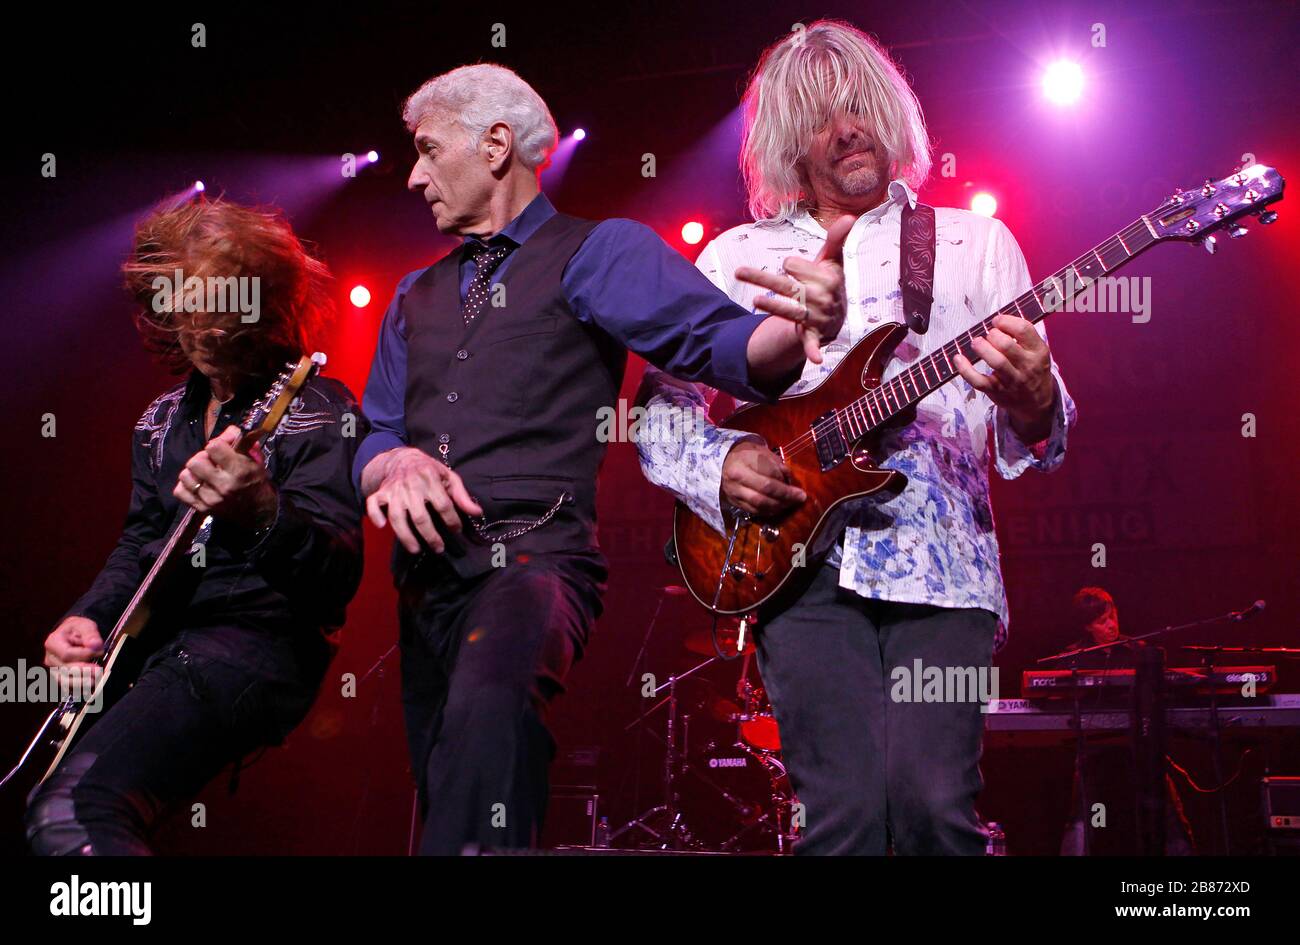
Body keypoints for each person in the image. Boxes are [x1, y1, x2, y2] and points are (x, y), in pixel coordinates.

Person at [353, 63, 850, 854]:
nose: (411, 176)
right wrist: (393, 466)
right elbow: (373, 431)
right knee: (448, 782)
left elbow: (721, 342)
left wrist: (799, 325)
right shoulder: (412, 295)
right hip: (426, 585)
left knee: (490, 719)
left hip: (534, 560)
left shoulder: (595, 251)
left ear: (495, 145)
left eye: (425, 149)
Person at [637, 20, 1078, 855]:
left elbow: (1038, 439)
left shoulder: (972, 243)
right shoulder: (736, 256)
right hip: (794, 569)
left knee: (932, 811)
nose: (846, 129)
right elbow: (658, 410)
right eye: (819, 117)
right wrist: (724, 460)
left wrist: (1033, 399)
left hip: (944, 571)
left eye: (860, 106)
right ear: (783, 145)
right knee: (840, 824)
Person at [25, 198, 366, 855]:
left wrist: (261, 509)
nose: (204, 332)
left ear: (261, 306)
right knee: (55, 804)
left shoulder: (318, 408)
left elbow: (337, 575)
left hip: (254, 646)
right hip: (159, 650)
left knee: (75, 809)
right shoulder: (159, 421)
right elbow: (139, 543)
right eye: (187, 308)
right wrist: (88, 618)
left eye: (219, 310)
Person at [1057, 587, 1196, 855]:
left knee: (1170, 813)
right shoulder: (1072, 658)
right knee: (1081, 815)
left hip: (1141, 743)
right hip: (1095, 749)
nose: (1111, 625)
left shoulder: (1138, 650)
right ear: (1088, 627)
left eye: (1113, 616)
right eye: (1102, 621)